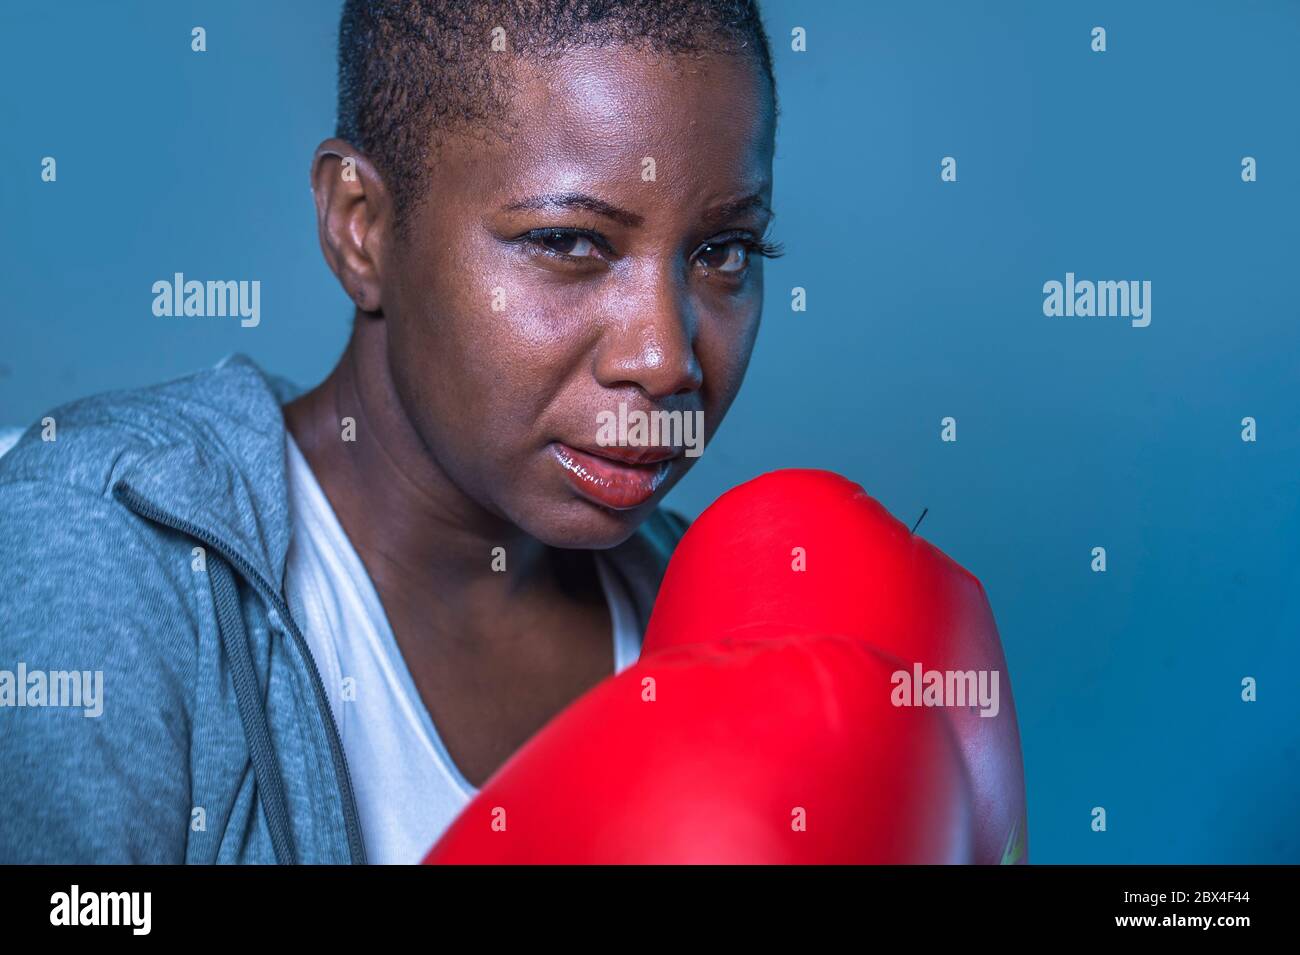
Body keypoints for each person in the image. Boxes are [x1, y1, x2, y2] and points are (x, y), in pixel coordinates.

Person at [0, 0, 779, 863]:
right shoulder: (101, 551)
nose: (667, 358)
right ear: (360, 226)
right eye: (568, 241)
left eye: (725, 251)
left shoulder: (734, 629)